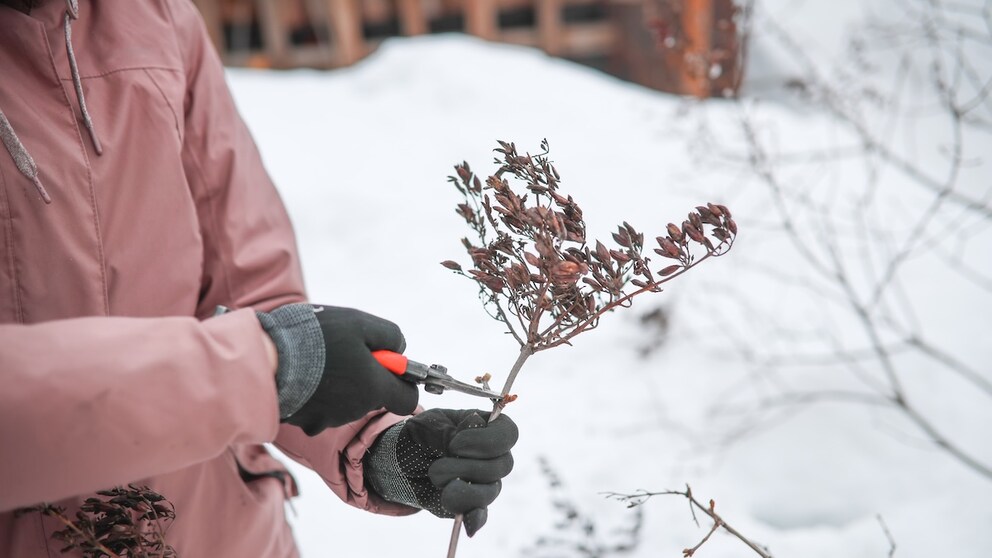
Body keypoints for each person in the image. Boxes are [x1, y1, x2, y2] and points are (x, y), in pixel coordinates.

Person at [0, 1, 517, 556]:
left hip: (220, 533)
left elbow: (254, 300)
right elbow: (261, 356)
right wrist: (263, 367)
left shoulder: (157, 19)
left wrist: (379, 445)